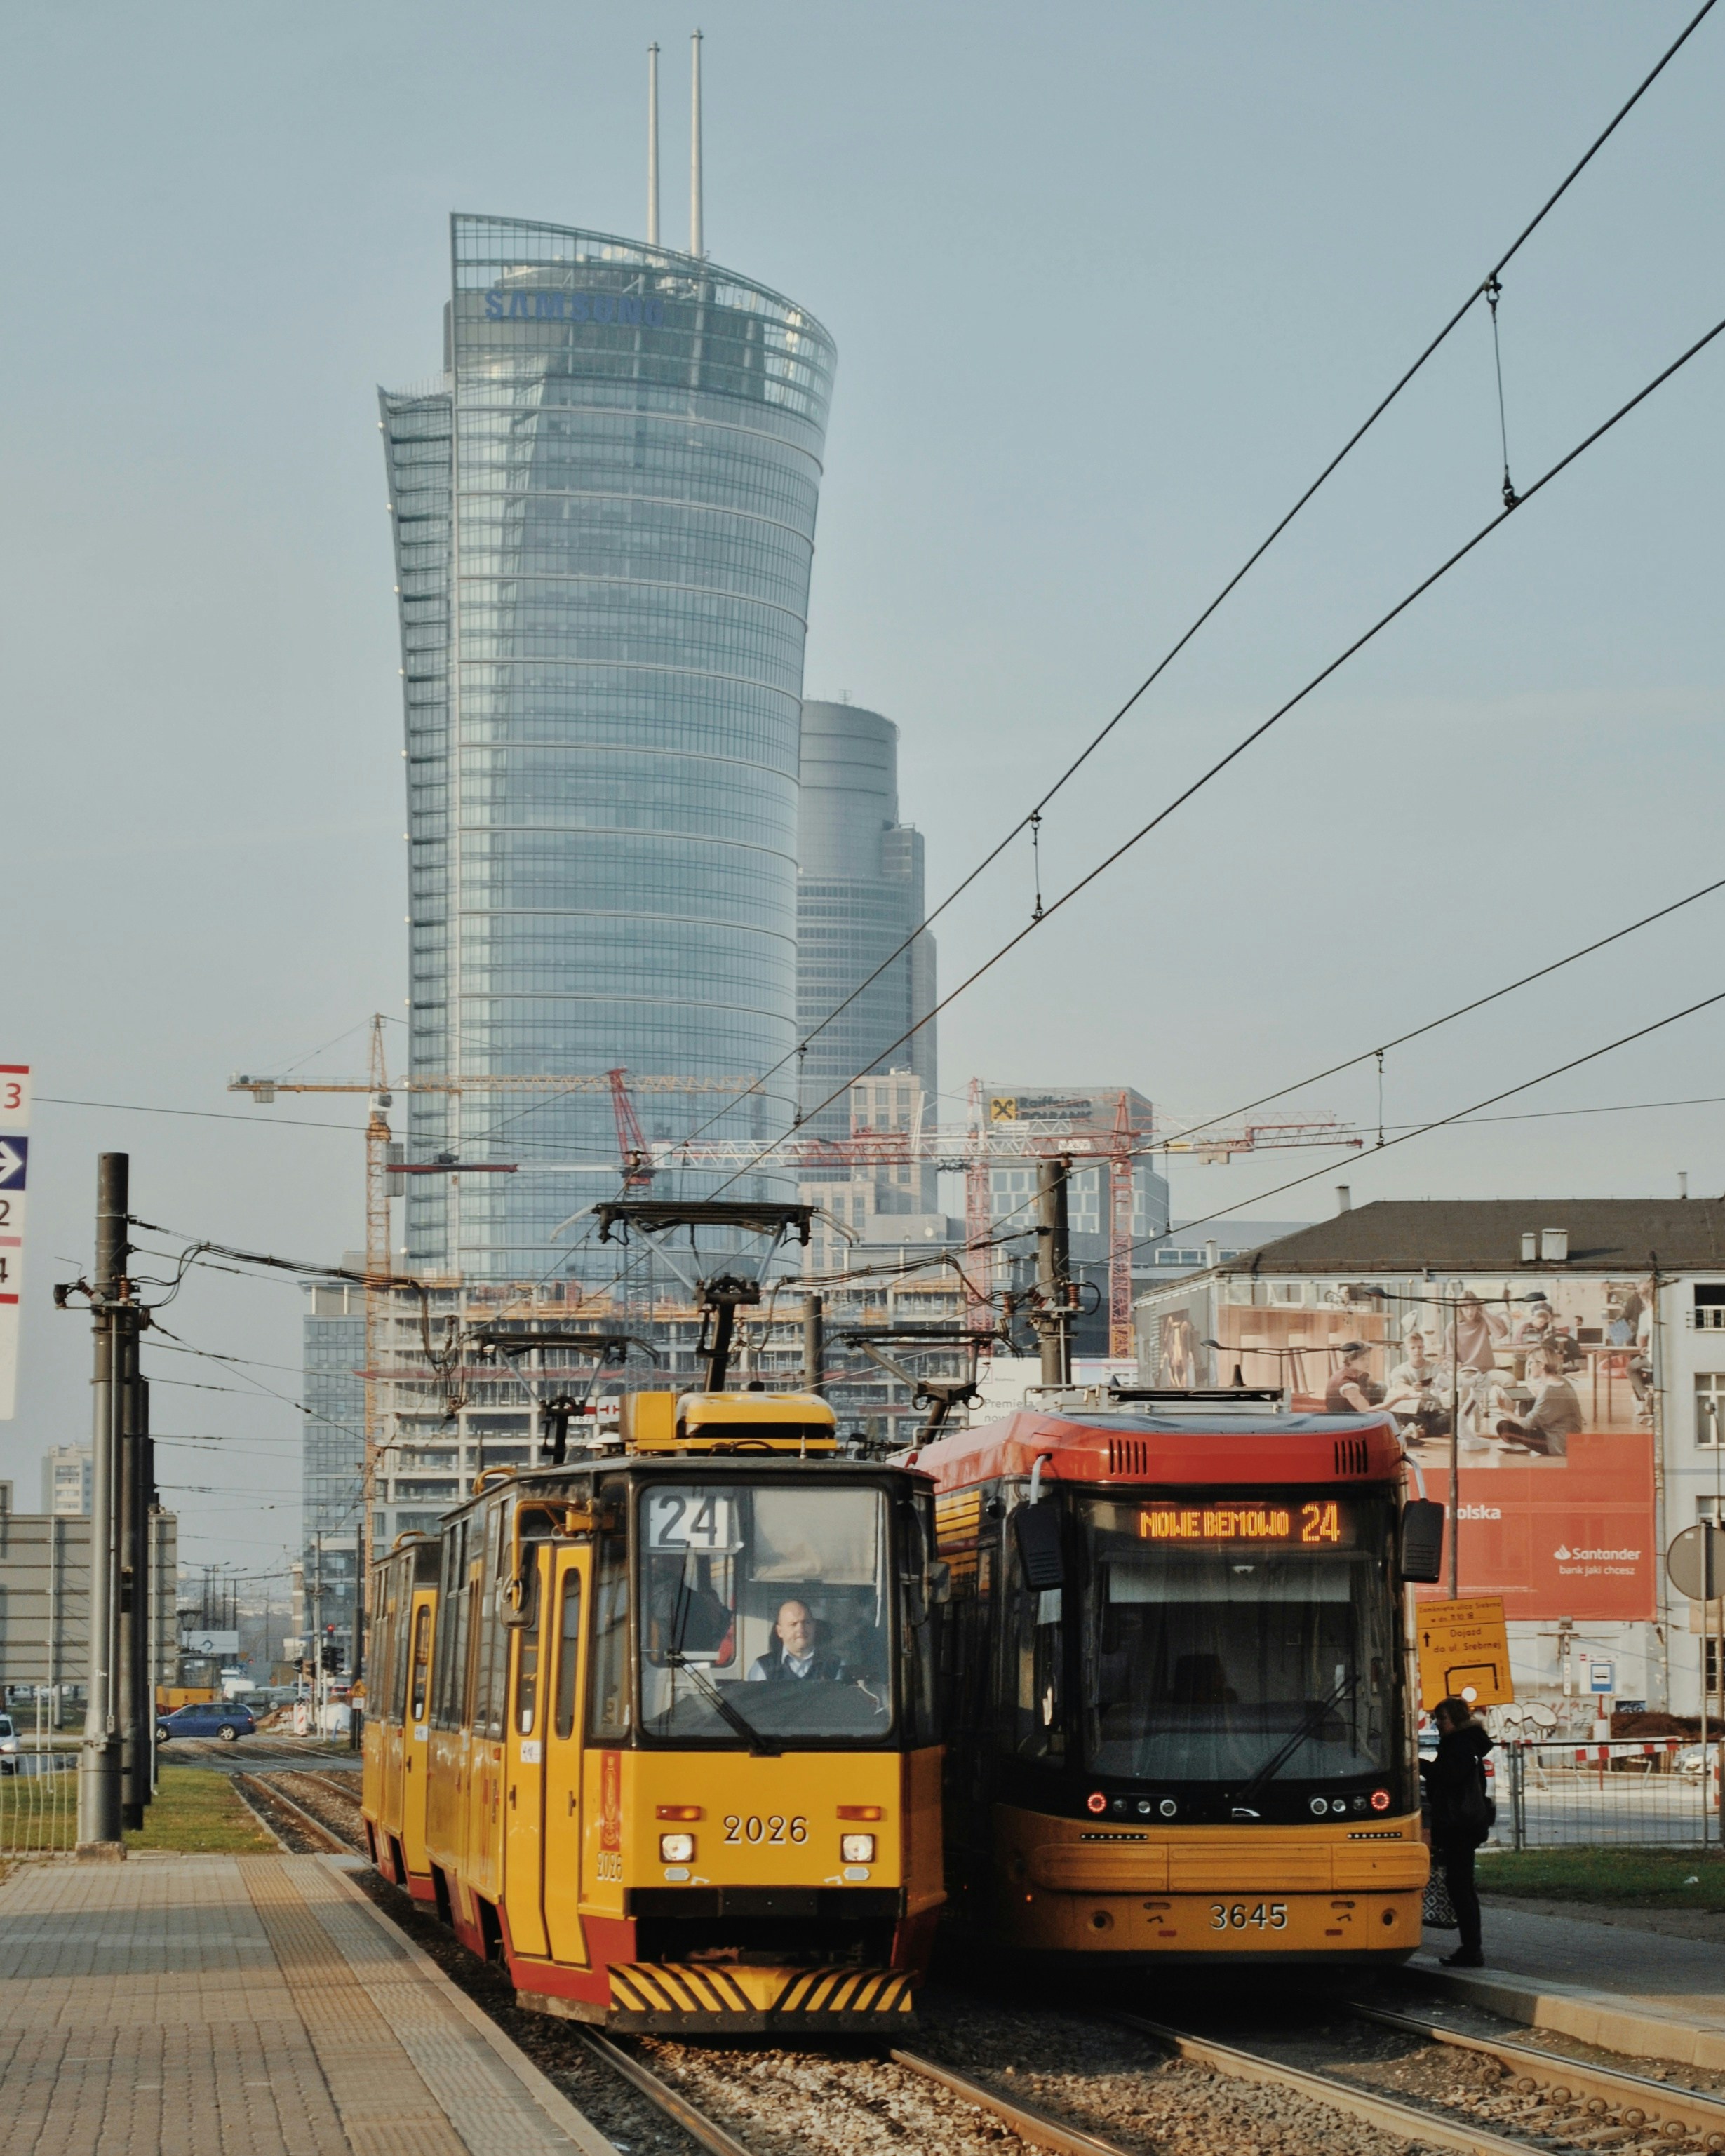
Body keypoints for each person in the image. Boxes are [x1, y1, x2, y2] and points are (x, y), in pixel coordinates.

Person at [1421, 1695, 1494, 1967]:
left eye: (1442, 1718)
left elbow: (1449, 1776)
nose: (1438, 1724)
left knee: (1460, 1887)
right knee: (1460, 1886)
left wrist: (1422, 1766)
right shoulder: (1466, 1743)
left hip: (1460, 1826)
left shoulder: (1461, 1745)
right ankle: (1470, 1948)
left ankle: (1472, 1950)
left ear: (1454, 1719)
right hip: (1464, 1825)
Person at [1495, 1346, 1584, 1458]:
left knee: (1503, 1427)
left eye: (1531, 1363)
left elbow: (1527, 1424)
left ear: (1541, 1365)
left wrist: (1505, 1410)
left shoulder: (1549, 1392)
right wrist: (1538, 1396)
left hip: (1558, 1444)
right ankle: (1522, 1442)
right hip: (1568, 1437)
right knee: (1527, 1402)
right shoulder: (1562, 1381)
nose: (1529, 1367)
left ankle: (1520, 1443)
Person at [747, 1600, 847, 1683]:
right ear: (780, 1631)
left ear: (814, 1626)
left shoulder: (835, 1665)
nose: (801, 1629)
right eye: (793, 1624)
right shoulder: (763, 1667)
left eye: (806, 1623)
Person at [1446, 1293, 1508, 1376]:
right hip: (1466, 1371)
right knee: (1466, 1380)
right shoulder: (1452, 1327)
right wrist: (1455, 1366)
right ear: (1460, 1309)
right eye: (1466, 1308)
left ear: (1478, 1307)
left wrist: (1485, 1314)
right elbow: (1449, 1355)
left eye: (1473, 1307)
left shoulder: (1484, 1321)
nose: (1470, 1312)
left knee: (1509, 1380)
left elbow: (1500, 1334)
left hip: (1488, 1371)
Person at [1325, 1342, 1383, 1415]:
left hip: (1357, 1418)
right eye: (1362, 1359)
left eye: (1368, 1358)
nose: (1367, 1362)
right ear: (1350, 1360)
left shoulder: (1359, 1374)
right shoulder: (1346, 1383)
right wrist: (1396, 1399)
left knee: (1381, 1386)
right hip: (1344, 1422)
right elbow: (1367, 1411)